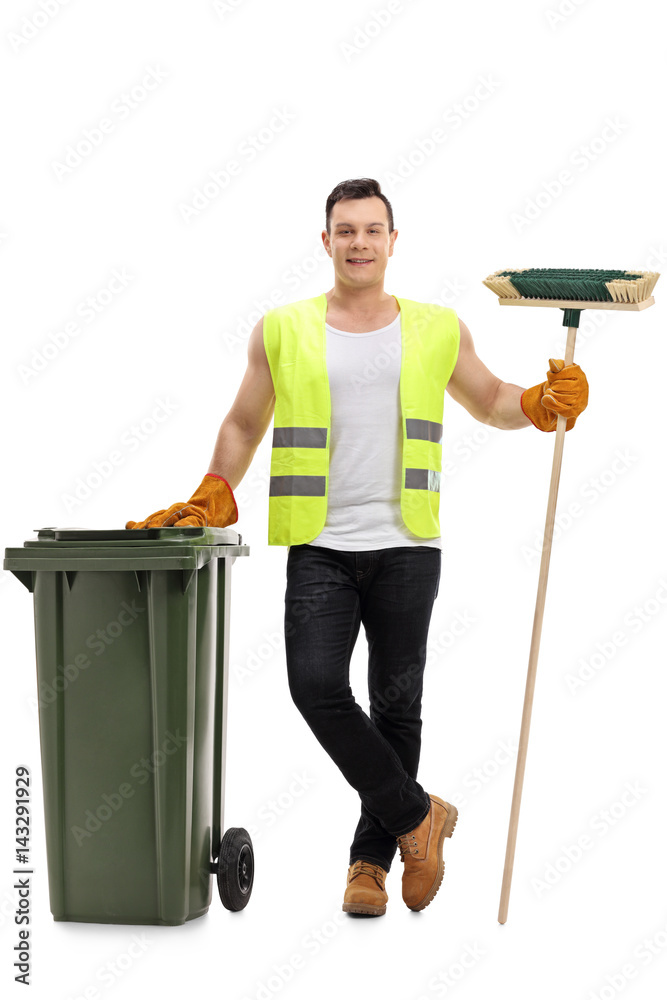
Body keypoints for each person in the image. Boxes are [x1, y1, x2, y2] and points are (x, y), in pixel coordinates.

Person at [126, 177, 589, 917]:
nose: (359, 243)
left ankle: (368, 866)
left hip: (408, 545)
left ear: (393, 241)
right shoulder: (282, 328)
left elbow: (492, 400)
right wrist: (215, 486)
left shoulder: (437, 327)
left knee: (396, 707)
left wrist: (538, 403)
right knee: (315, 688)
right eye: (346, 231)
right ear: (326, 241)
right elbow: (244, 424)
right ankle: (418, 818)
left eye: (372, 230)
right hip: (320, 544)